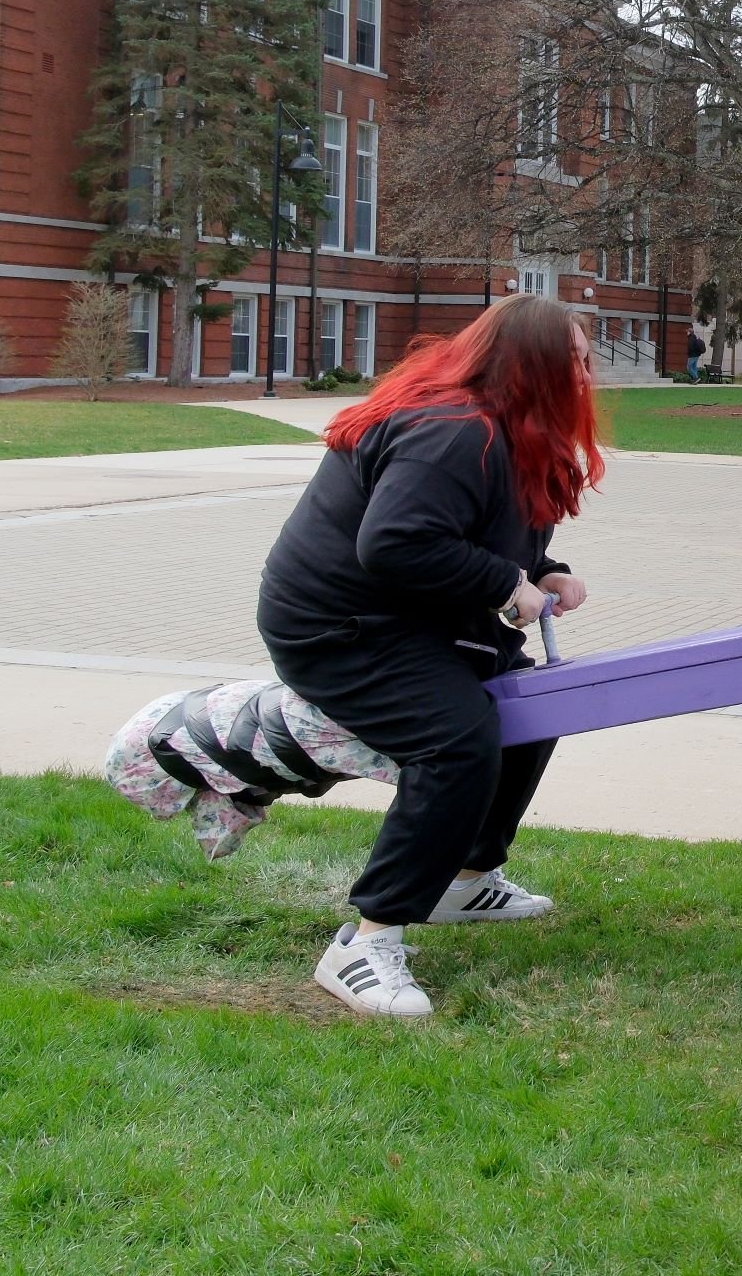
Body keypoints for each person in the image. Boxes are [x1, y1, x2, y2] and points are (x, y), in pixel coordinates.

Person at [258, 295, 601, 1017]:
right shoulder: (453, 430)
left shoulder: (502, 425)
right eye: (572, 358)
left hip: (406, 615)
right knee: (457, 740)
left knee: (530, 710)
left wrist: (539, 573)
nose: (586, 372)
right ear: (528, 364)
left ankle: (465, 879)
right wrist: (502, 582)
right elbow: (394, 542)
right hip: (337, 627)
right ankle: (366, 937)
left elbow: (472, 533)